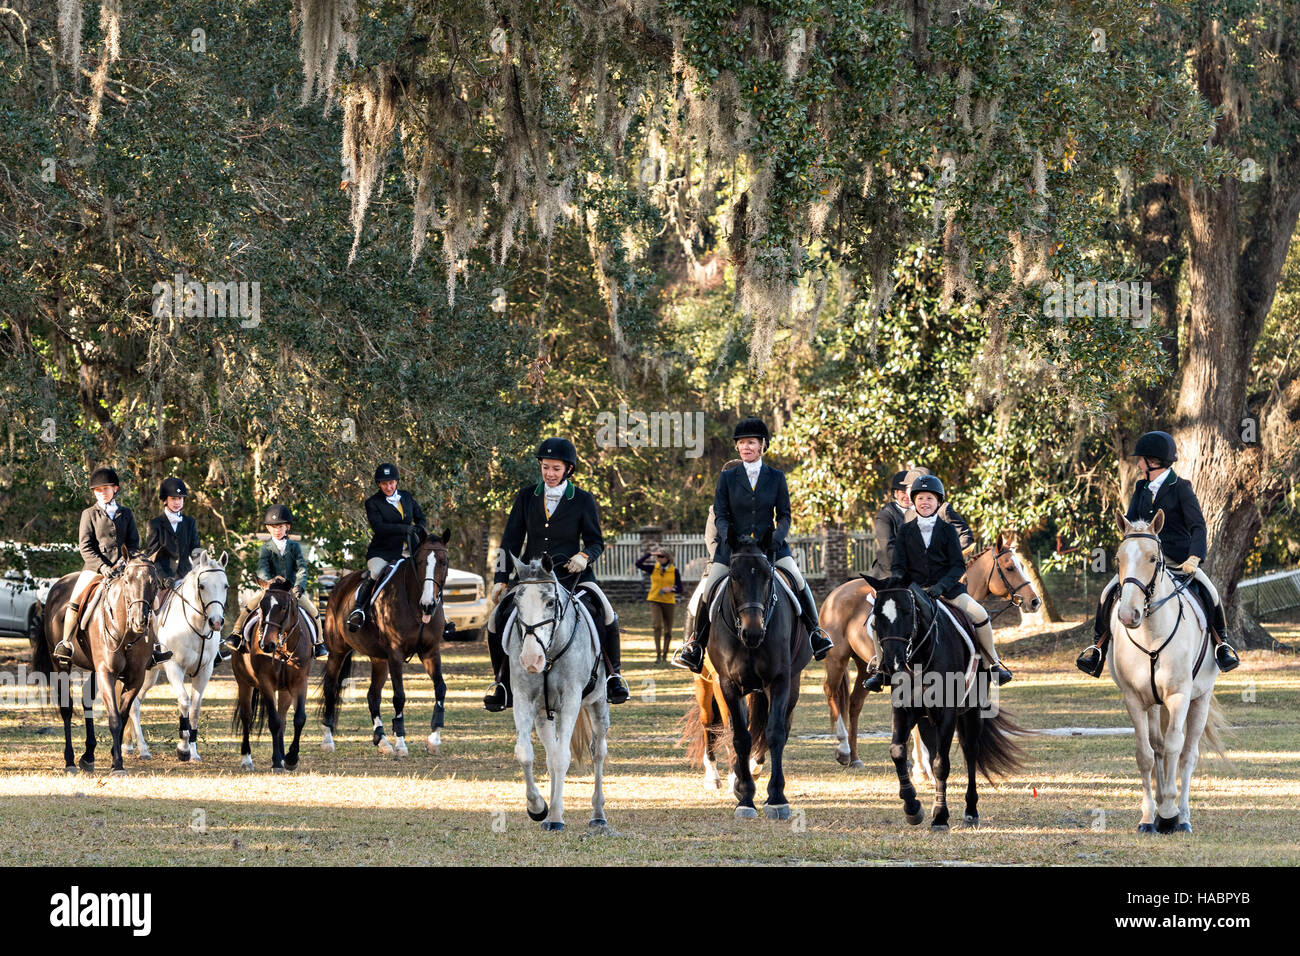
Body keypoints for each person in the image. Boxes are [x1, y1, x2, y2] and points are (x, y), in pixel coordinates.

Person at [673, 418, 834, 674]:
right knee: (706, 592)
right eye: (741, 443)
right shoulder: (727, 478)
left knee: (799, 582)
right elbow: (722, 515)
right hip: (732, 550)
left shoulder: (776, 477)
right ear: (737, 447)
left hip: (770, 547)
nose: (745, 447)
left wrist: (778, 537)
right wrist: (729, 537)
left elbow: (784, 515)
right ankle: (695, 646)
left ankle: (816, 634)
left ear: (762, 445)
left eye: (751, 442)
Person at [1076, 430, 1239, 676]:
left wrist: (1194, 557)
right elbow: (1131, 523)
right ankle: (1097, 648)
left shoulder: (1180, 487)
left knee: (1210, 592)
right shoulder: (1141, 488)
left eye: (1141, 459)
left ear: (1153, 461)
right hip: (1143, 562)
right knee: (1107, 593)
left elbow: (1198, 526)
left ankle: (1222, 646)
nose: (1138, 463)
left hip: (1178, 560)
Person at [483, 437, 629, 711]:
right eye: (545, 467)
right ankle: (502, 683)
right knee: (495, 619)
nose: (549, 474)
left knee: (606, 612)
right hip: (532, 578)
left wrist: (584, 556)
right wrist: (500, 579)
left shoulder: (583, 500)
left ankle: (613, 675)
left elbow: (596, 541)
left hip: (572, 575)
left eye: (556, 469)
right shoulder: (526, 497)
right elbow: (510, 542)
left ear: (568, 470)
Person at [868, 474, 1012, 689]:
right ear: (914, 502)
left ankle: (993, 664)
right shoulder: (905, 531)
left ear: (938, 502)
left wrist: (940, 587)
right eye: (920, 499)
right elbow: (898, 565)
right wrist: (908, 586)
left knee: (981, 615)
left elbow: (957, 566)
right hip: (913, 591)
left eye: (930, 498)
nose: (925, 502)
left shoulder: (947, 530)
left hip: (948, 590)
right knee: (874, 621)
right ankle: (882, 670)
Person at [54, 467, 171, 667]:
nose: (102, 492)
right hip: (94, 568)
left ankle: (155, 646)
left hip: (124, 568)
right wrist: (102, 567)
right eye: (98, 490)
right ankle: (66, 643)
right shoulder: (89, 514)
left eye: (106, 488)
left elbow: (133, 544)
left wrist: (125, 562)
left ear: (115, 489)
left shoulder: (126, 513)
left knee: (151, 602)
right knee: (76, 600)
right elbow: (85, 546)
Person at [226, 505, 326, 659]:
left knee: (313, 611)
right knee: (249, 607)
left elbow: (302, 569)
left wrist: (299, 585)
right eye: (273, 527)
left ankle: (319, 643)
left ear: (287, 527)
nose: (277, 530)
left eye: (280, 527)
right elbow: (263, 568)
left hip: (291, 590)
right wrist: (268, 582)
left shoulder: (295, 547)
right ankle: (237, 634)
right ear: (268, 528)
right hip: (270, 590)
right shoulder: (265, 548)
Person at [674, 459, 743, 669]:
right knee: (696, 601)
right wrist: (730, 561)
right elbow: (711, 541)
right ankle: (692, 647)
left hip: (753, 566)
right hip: (721, 564)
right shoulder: (716, 509)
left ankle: (808, 634)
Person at [347, 462, 426, 631]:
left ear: (396, 482)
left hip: (408, 551)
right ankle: (359, 609)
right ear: (379, 484)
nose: (388, 487)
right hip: (382, 552)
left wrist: (419, 530)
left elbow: (421, 518)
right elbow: (379, 528)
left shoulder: (406, 497)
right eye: (384, 484)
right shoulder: (372, 503)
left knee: (426, 573)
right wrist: (406, 529)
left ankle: (432, 610)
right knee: (375, 573)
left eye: (391, 483)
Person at [636, 544, 682, 663]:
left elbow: (680, 589)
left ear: (667, 558)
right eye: (658, 556)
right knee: (657, 626)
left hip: (668, 602)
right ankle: (658, 655)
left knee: (668, 630)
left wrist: (671, 589)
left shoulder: (674, 571)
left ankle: (665, 655)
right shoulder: (653, 568)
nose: (659, 558)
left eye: (661, 556)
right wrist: (650, 554)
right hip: (654, 600)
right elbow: (638, 564)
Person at [870, 471, 912, 578]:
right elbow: (888, 550)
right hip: (890, 572)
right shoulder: (884, 516)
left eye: (910, 492)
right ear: (895, 493)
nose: (907, 496)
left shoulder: (921, 514)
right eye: (903, 492)